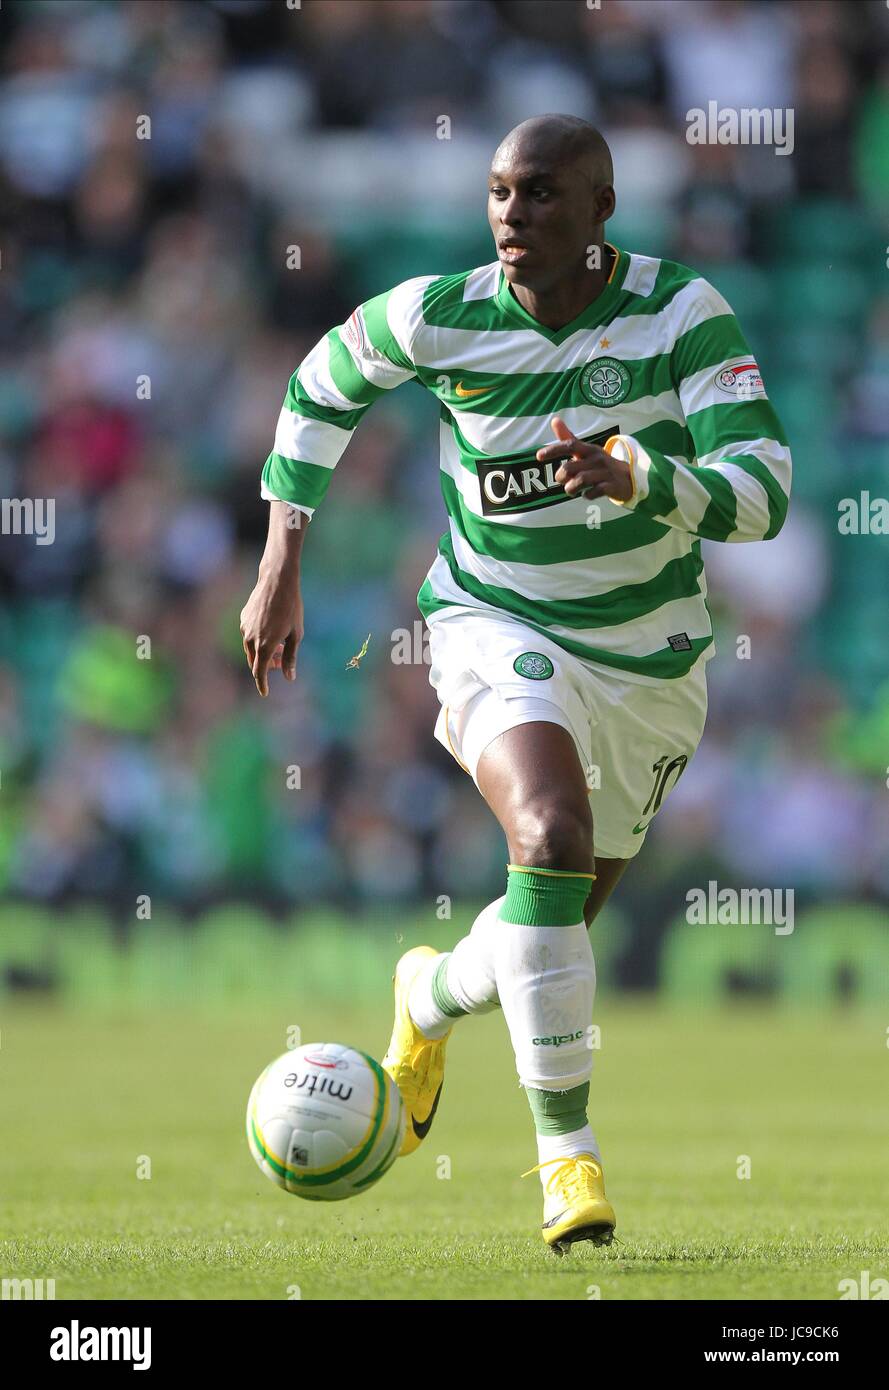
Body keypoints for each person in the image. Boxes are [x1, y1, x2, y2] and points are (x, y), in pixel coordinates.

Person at [240, 114, 791, 1254]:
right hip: (493, 624)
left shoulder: (680, 312)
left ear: (599, 211)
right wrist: (280, 558)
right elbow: (320, 387)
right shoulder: (439, 314)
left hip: (650, 664)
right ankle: (566, 1160)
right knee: (547, 839)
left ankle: (426, 995)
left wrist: (638, 472)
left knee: (553, 926)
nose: (511, 216)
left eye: (541, 195)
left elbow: (764, 490)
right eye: (498, 192)